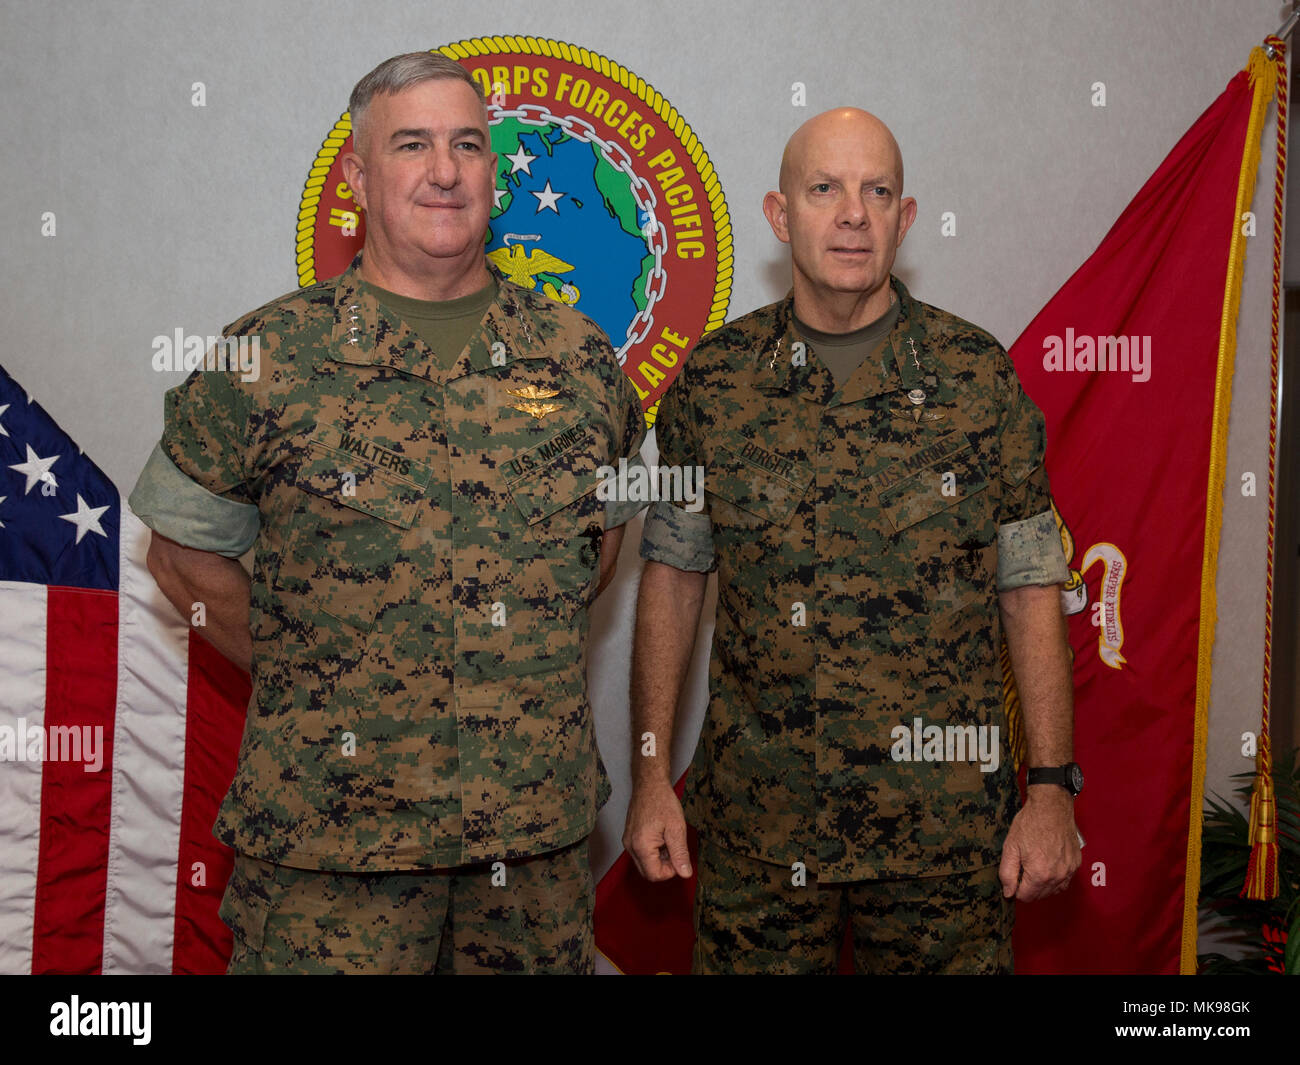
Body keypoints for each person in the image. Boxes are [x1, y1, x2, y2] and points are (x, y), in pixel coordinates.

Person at [128, 52, 645, 974]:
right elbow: (182, 559)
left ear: (493, 169)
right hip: (333, 850)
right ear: (361, 177)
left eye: (468, 145)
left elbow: (597, 548)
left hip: (527, 850)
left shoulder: (577, 357)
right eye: (412, 145)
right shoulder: (267, 354)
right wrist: (319, 667)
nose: (445, 171)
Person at [624, 107, 1082, 974]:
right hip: (761, 832)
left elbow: (1030, 589)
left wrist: (1051, 789)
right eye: (825, 188)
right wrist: (651, 779)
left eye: (878, 192)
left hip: (941, 844)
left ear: (906, 219)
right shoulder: (713, 386)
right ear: (779, 213)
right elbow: (673, 582)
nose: (852, 215)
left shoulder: (977, 377)